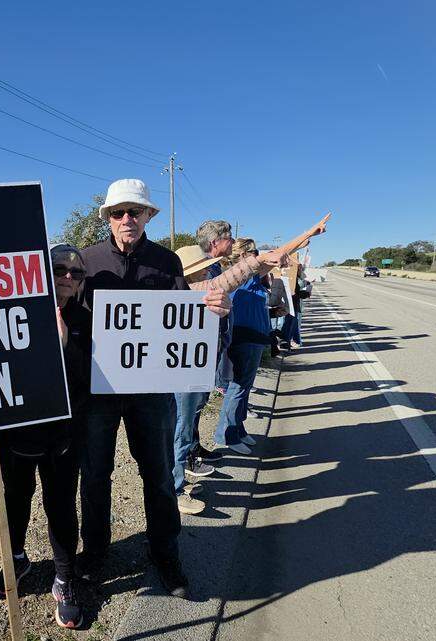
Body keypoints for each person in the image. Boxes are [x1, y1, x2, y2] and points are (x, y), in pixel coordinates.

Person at [77, 178, 234, 598]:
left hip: (151, 393)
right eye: (118, 212)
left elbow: (185, 322)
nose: (126, 219)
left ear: (148, 215)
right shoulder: (86, 261)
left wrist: (214, 312)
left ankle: (165, 553)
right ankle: (94, 554)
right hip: (99, 392)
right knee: (94, 475)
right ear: (108, 218)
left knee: (159, 475)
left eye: (135, 211)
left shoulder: (167, 263)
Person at [0, 243, 90, 629]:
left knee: (61, 506)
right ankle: (15, 557)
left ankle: (64, 577)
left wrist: (65, 343)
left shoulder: (88, 318)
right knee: (15, 498)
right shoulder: (15, 311)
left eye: (75, 273)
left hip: (65, 433)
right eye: (59, 268)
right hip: (19, 432)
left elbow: (92, 379)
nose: (66, 277)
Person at [170, 230, 284, 515]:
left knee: (187, 422)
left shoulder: (205, 295)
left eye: (206, 270)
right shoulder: (191, 294)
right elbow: (233, 277)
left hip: (199, 368)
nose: (206, 275)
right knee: (180, 428)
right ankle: (175, 487)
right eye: (200, 271)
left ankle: (180, 478)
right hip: (185, 372)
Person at [213, 239, 272, 454]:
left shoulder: (253, 280)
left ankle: (238, 427)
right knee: (238, 388)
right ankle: (226, 434)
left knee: (244, 388)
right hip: (244, 337)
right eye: (253, 252)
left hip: (254, 337)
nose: (257, 255)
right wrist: (306, 237)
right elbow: (273, 259)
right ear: (241, 257)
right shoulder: (242, 278)